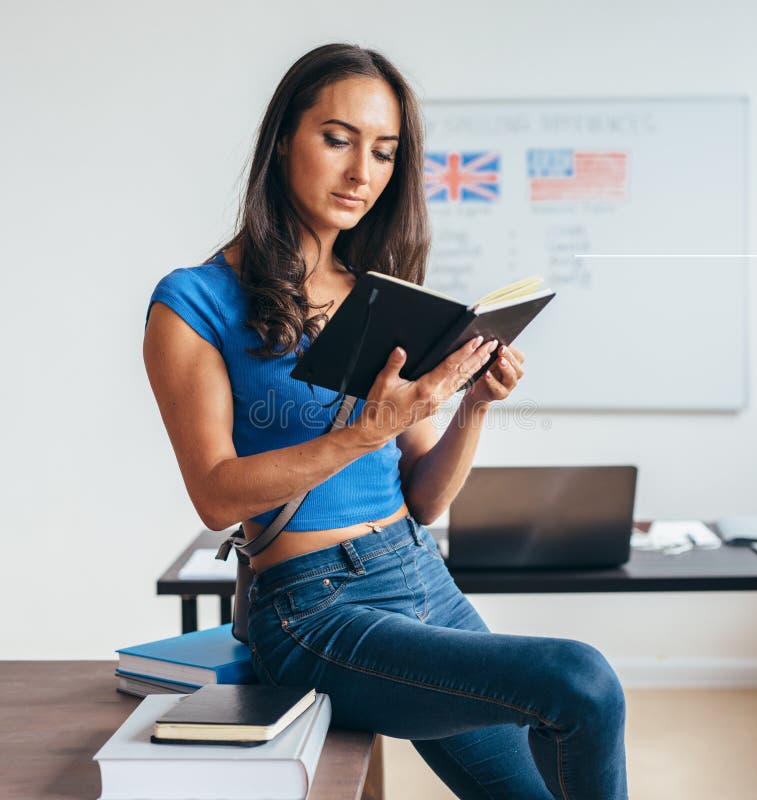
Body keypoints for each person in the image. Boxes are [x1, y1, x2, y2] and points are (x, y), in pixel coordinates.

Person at [143, 43, 627, 800]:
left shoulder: (380, 296)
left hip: (417, 571)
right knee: (583, 681)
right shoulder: (193, 303)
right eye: (337, 139)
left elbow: (426, 499)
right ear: (282, 142)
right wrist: (367, 430)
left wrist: (471, 405)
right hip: (314, 607)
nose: (361, 172)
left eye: (383, 152)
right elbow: (216, 495)